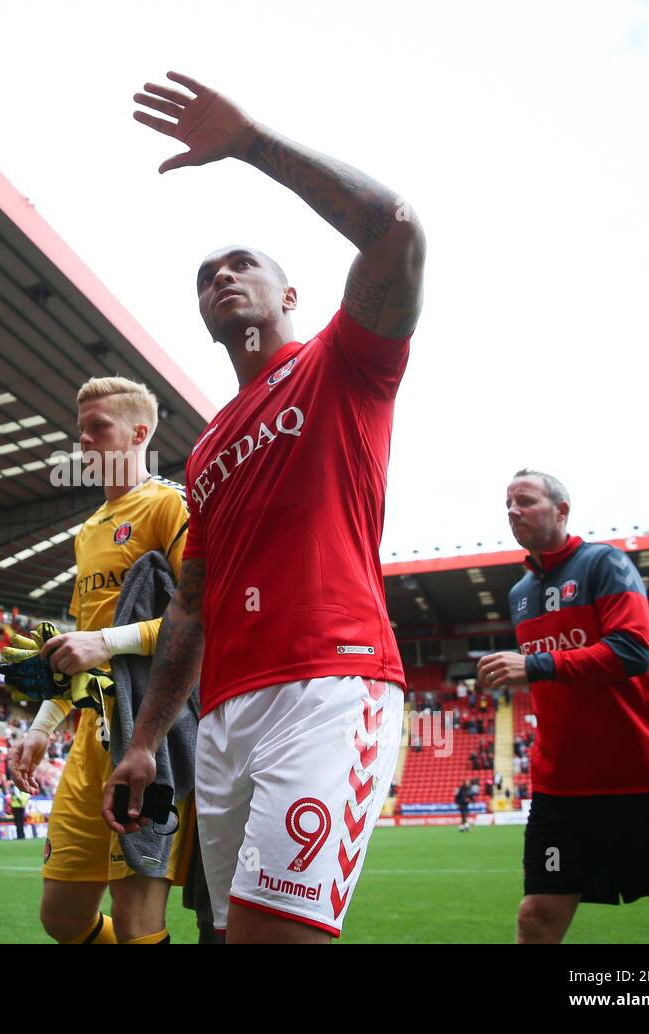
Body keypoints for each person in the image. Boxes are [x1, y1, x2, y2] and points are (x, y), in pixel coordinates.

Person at [105, 70, 425, 944]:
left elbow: (398, 231)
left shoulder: (342, 365)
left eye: (242, 264)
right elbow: (190, 602)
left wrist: (251, 145)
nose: (221, 276)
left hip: (328, 685)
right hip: (222, 718)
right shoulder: (205, 448)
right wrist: (144, 739)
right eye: (206, 276)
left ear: (290, 296)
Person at [478, 470, 649, 944]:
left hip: (634, 778)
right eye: (507, 504)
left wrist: (537, 664)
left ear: (561, 510)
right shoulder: (520, 594)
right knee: (537, 915)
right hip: (561, 787)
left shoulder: (603, 564)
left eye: (525, 501)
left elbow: (633, 651)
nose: (513, 511)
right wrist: (539, 668)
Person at [6, 375, 194, 945]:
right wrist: (41, 727)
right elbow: (79, 646)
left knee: (138, 916)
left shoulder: (169, 505)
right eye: (80, 431)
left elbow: (205, 617)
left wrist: (104, 644)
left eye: (98, 428)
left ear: (139, 432)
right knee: (61, 916)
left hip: (150, 733)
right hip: (90, 737)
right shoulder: (88, 532)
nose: (83, 442)